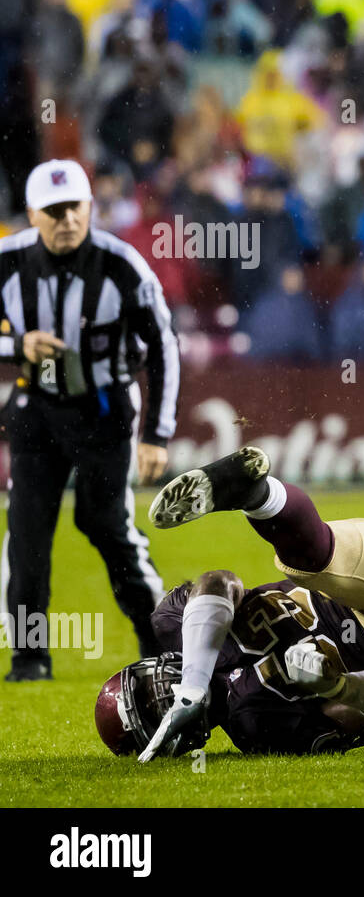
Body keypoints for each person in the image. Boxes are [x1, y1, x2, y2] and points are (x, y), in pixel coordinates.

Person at [95, 445, 364, 759]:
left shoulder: (174, 629)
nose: (160, 689)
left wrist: (195, 682)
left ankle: (255, 492)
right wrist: (338, 687)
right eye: (151, 704)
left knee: (318, 562)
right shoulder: (254, 729)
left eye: (146, 683)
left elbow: (220, 582)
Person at [0, 159, 180, 681]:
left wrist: (156, 435)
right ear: (32, 214)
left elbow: (164, 346)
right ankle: (30, 659)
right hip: (36, 409)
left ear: (90, 209)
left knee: (107, 526)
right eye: (53, 211)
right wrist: (17, 344)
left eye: (74, 208)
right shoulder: (8, 261)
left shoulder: (123, 265)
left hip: (104, 412)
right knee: (27, 532)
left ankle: (161, 644)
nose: (66, 220)